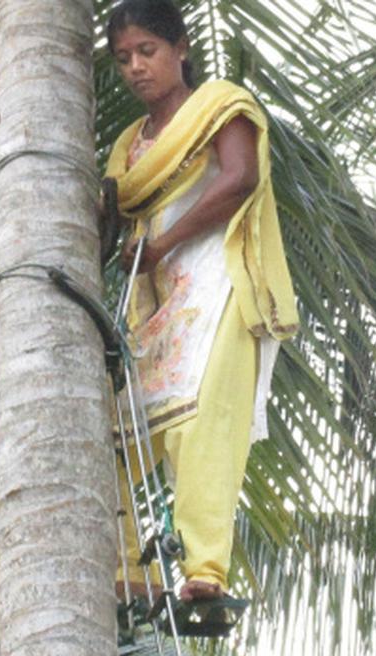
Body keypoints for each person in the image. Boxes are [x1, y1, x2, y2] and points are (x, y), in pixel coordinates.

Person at [104, 0, 299, 605]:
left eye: (147, 51)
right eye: (123, 59)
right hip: (157, 303)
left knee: (204, 423)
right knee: (116, 431)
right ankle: (129, 568)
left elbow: (240, 178)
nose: (136, 68)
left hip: (220, 285)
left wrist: (163, 244)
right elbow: (111, 216)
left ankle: (205, 570)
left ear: (181, 47)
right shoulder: (127, 146)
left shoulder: (220, 106)